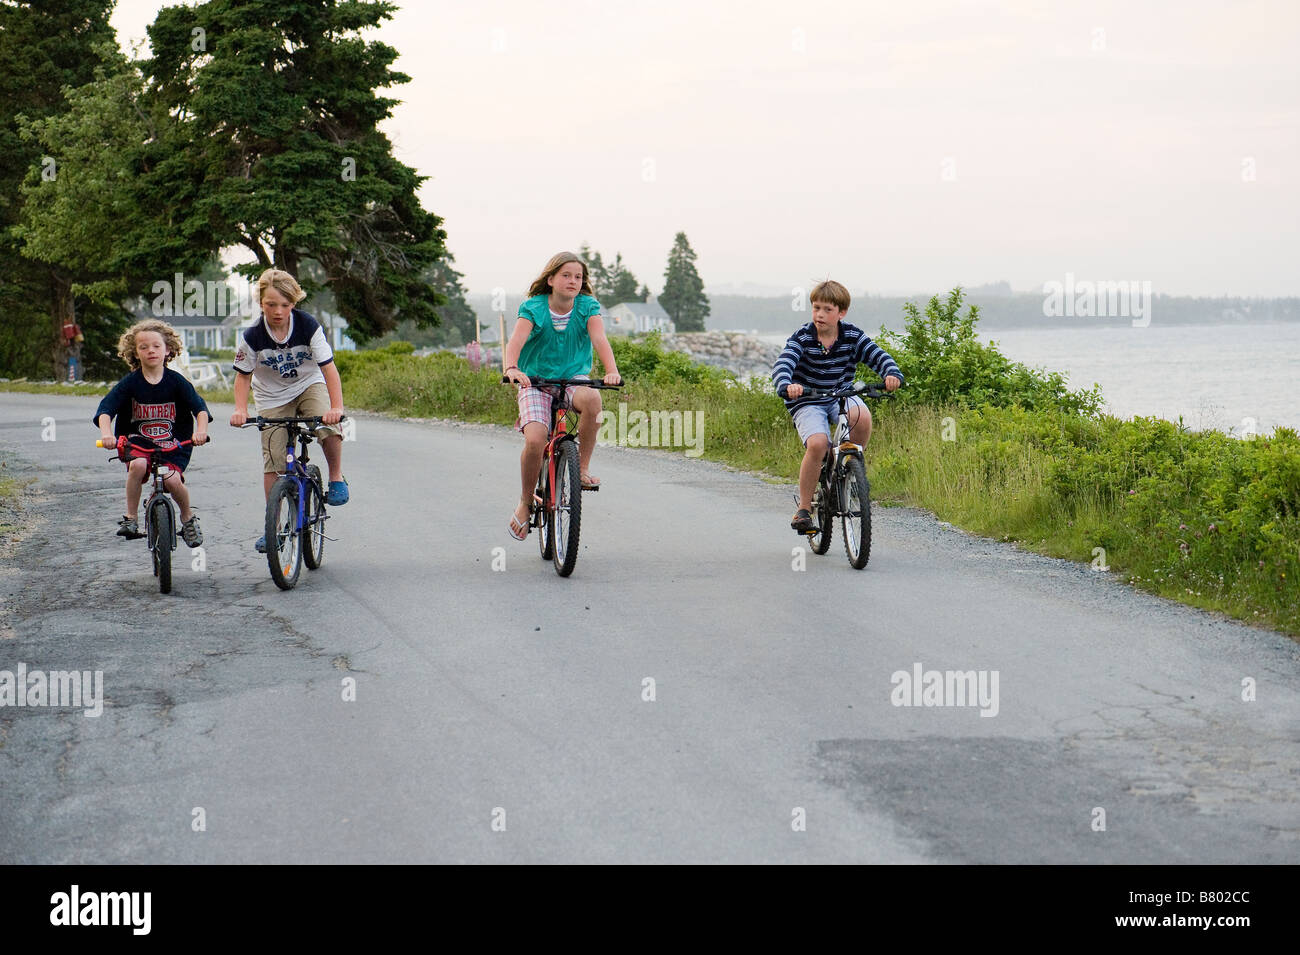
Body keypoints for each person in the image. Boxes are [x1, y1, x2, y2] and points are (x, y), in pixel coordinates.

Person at [502, 251, 621, 540]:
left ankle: (581, 469)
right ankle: (526, 502)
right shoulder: (532, 307)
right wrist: (511, 368)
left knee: (593, 399)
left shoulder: (587, 306)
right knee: (535, 440)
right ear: (551, 279)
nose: (573, 281)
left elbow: (599, 338)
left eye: (578, 276)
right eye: (566, 275)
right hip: (535, 381)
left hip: (572, 380)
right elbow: (516, 340)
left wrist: (611, 370)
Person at [228, 269, 348, 553]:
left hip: (309, 384)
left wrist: (336, 407)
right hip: (271, 396)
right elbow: (243, 376)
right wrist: (241, 409)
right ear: (261, 303)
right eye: (271, 304)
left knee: (327, 428)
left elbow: (328, 368)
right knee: (274, 461)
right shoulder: (253, 335)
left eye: (284, 304)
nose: (278, 311)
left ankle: (336, 476)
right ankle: (275, 526)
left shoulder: (308, 326)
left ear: (293, 303)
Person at [771, 280, 903, 532]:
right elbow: (783, 363)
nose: (819, 314)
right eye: (816, 308)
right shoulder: (802, 337)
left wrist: (891, 373)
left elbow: (878, 355)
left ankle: (853, 468)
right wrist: (787, 384)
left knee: (862, 416)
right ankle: (805, 508)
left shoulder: (852, 336)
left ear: (841, 313)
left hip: (841, 394)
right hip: (808, 398)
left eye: (827, 309)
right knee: (818, 444)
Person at [94, 320, 210, 545]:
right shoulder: (130, 383)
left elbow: (200, 410)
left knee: (173, 481)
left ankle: (188, 518)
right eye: (144, 347)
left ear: (168, 349)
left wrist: (201, 431)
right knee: (138, 465)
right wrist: (107, 434)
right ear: (135, 353)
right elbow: (105, 411)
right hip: (138, 443)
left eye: (157, 346)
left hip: (173, 444)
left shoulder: (177, 382)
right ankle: (130, 517)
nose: (151, 351)